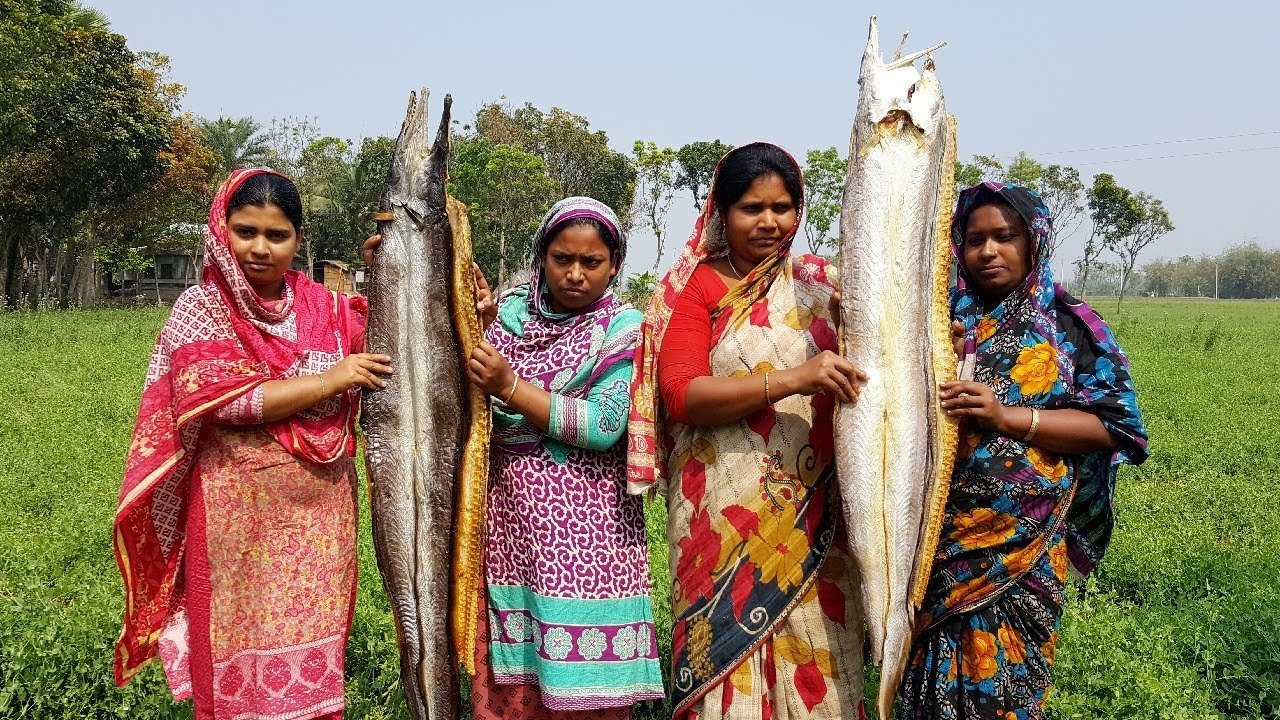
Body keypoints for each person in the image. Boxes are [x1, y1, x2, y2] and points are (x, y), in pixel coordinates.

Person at [367, 197, 664, 717]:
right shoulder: (509, 313)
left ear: (614, 264)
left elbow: (606, 424)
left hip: (590, 539)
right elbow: (457, 383)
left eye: (590, 263)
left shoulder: (622, 328)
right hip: (510, 531)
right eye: (561, 259)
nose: (574, 275)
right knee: (510, 684)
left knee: (584, 695)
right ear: (541, 256)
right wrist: (396, 273)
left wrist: (512, 387)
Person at [113, 168, 392, 720]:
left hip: (321, 521)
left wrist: (390, 277)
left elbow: (391, 344)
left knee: (314, 650)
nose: (260, 249)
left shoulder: (330, 309)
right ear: (221, 230)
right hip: (235, 516)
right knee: (234, 652)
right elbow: (224, 402)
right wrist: (330, 380)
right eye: (246, 232)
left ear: (299, 239)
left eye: (277, 235)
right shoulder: (202, 308)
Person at [627, 143, 867, 719]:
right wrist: (793, 378)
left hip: (814, 512)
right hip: (720, 512)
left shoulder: (822, 286)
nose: (768, 222)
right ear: (721, 211)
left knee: (819, 663)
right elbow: (682, 395)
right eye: (751, 208)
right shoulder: (698, 286)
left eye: (782, 207)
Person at [897, 182, 1149, 719]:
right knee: (926, 683)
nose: (988, 251)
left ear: (1034, 241)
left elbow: (1115, 426)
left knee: (1006, 692)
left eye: (1005, 237)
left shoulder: (1068, 326)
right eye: (974, 239)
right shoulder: (939, 325)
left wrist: (1006, 417)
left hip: (1022, 551)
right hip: (939, 542)